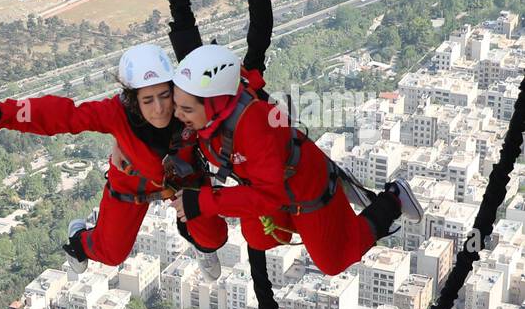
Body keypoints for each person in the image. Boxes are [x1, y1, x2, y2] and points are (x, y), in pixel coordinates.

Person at [0, 44, 227, 278]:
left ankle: (195, 237)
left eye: (165, 95)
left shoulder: (189, 100)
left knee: (213, 237)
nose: (161, 108)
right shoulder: (116, 114)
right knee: (111, 254)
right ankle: (80, 239)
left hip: (184, 182)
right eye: (148, 99)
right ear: (132, 99)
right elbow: (60, 116)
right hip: (131, 183)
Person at [166, 42, 422, 276]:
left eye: (187, 109)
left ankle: (392, 200)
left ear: (214, 104)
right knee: (261, 238)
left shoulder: (254, 126)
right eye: (178, 105)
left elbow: (268, 198)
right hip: (265, 180)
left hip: (305, 185)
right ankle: (332, 219)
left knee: (334, 260)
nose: (178, 114)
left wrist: (203, 202)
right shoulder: (209, 120)